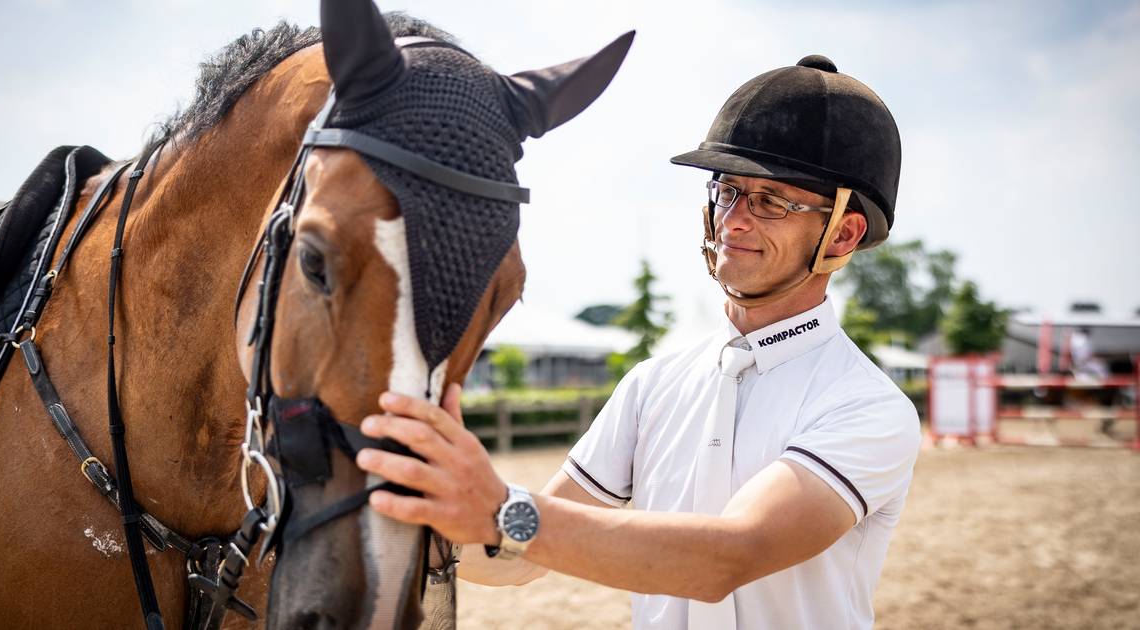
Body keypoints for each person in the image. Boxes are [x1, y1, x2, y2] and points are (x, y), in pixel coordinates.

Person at [355, 54, 921, 630]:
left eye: (772, 201)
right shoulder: (653, 385)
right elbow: (516, 564)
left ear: (843, 233)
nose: (734, 221)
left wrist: (502, 509)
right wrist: (405, 508)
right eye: (728, 191)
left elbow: (725, 558)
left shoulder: (867, 407)